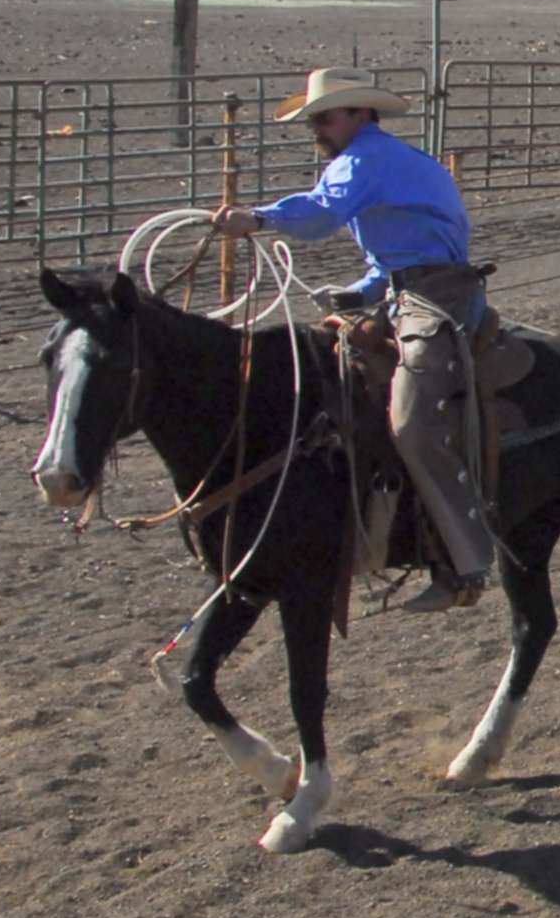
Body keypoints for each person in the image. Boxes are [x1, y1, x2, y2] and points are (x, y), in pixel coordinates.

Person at [211, 67, 499, 613]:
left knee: (413, 424)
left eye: (325, 117)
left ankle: (466, 564)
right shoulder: (377, 161)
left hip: (438, 299)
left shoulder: (366, 160)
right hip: (406, 291)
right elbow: (393, 260)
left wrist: (256, 218)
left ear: (359, 115)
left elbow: (321, 216)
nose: (317, 127)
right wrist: (356, 292)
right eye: (314, 119)